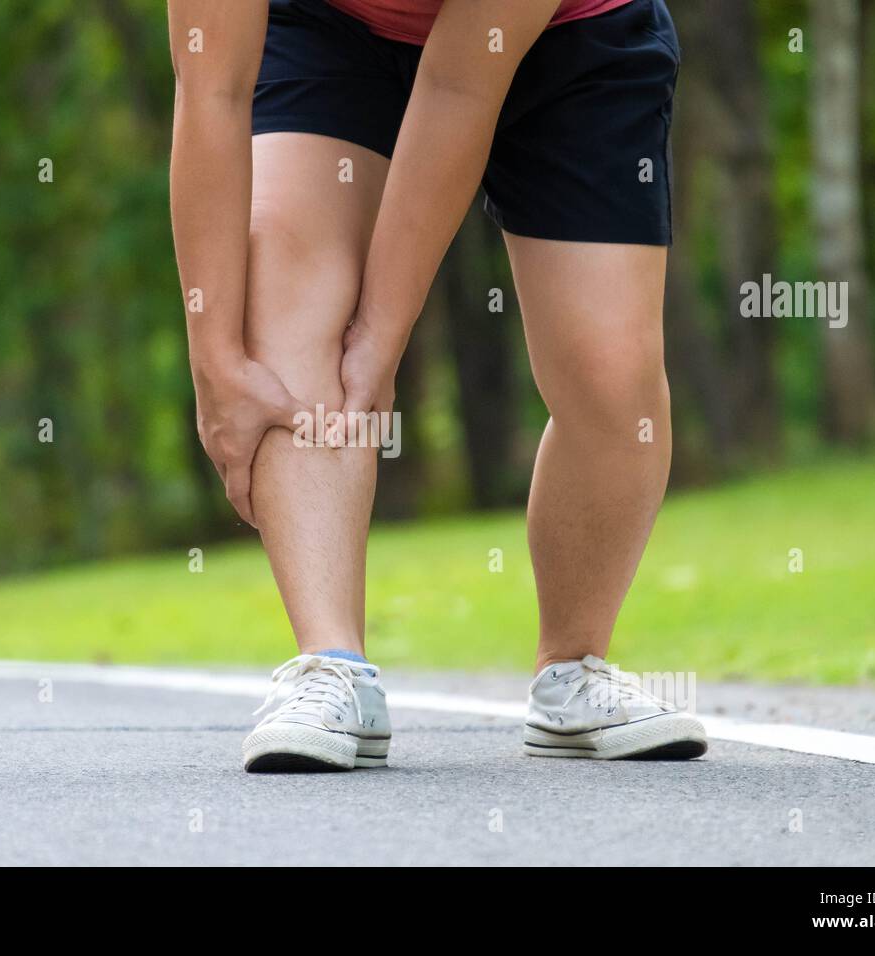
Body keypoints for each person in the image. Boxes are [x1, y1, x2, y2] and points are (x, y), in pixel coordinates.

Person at [167, 0, 707, 771]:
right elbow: (210, 88)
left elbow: (458, 86)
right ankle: (332, 666)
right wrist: (214, 359)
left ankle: (572, 670)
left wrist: (381, 336)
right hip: (332, 28)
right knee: (289, 277)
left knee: (611, 383)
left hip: (576, 35)